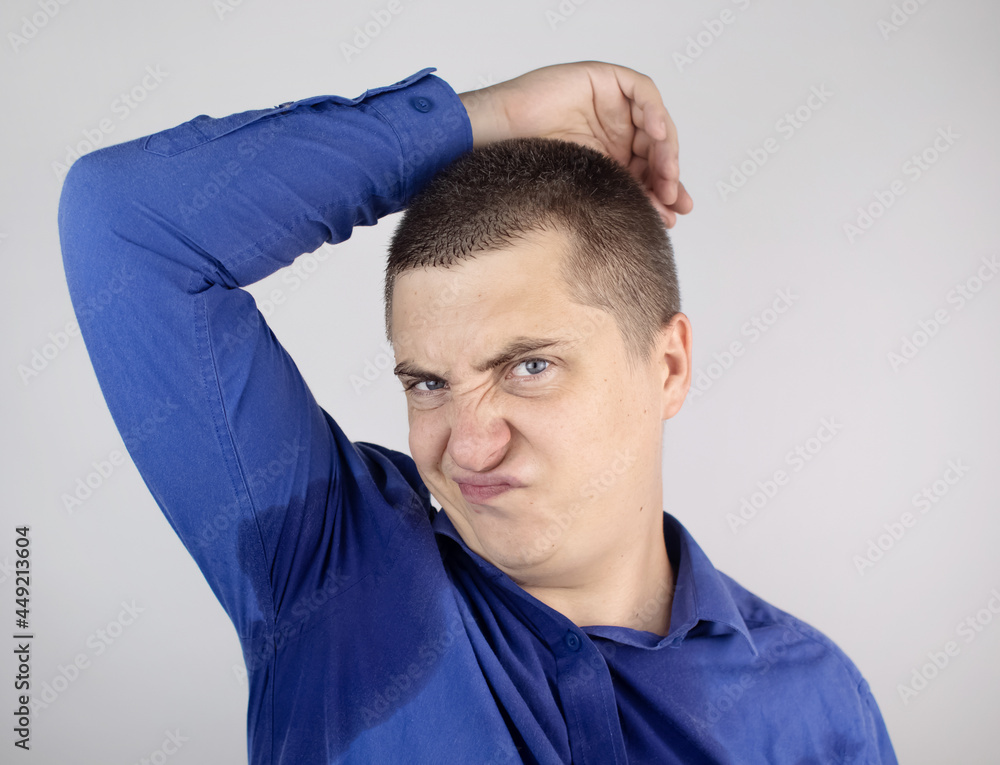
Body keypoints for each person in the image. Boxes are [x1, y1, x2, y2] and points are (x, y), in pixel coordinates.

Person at [58, 61, 897, 763]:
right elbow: (125, 222)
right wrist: (488, 116)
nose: (470, 444)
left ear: (668, 365)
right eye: (428, 383)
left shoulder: (817, 705)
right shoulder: (328, 570)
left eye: (529, 366)